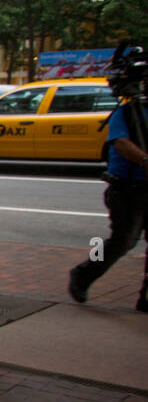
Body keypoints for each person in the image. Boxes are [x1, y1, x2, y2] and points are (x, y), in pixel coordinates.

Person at [69, 100, 148, 310]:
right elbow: (120, 142)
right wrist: (145, 161)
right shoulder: (127, 112)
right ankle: (83, 273)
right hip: (128, 189)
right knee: (122, 241)